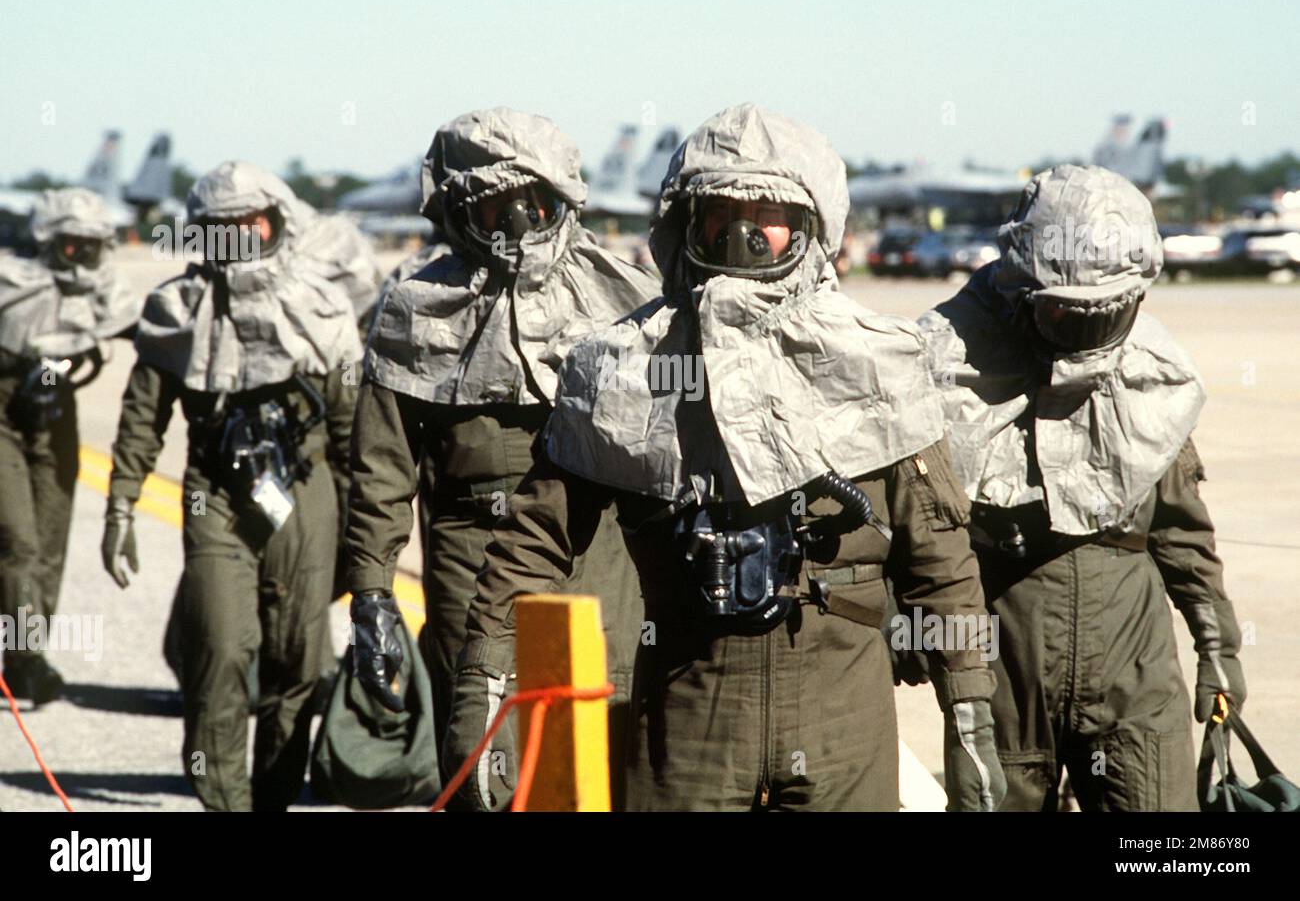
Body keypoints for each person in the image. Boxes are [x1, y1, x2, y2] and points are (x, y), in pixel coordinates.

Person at [445, 104, 1005, 811]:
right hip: (689, 713)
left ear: (810, 223)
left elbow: (942, 563)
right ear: (689, 223)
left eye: (768, 209)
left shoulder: (881, 364)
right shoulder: (618, 368)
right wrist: (483, 691)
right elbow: (532, 545)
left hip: (843, 710)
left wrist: (971, 711)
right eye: (722, 209)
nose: (744, 230)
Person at [344, 108, 660, 809]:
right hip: (470, 556)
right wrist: (370, 591)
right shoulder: (414, 310)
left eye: (533, 201)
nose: (515, 220)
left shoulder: (628, 296)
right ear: (457, 207)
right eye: (492, 203)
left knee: (599, 753)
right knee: (483, 758)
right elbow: (381, 468)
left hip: (599, 556)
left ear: (563, 198)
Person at [918, 164, 1245, 811]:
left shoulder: (1150, 380)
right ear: (1023, 293)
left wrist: (1218, 650)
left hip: (1135, 670)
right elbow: (919, 542)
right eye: (1064, 316)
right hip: (1003, 673)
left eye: (1102, 317)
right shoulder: (948, 370)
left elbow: (1183, 533)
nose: (1083, 337)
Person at [101, 161, 361, 811]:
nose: (241, 238)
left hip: (307, 492)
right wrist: (121, 504)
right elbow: (142, 414)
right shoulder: (176, 309)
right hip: (213, 493)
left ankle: (272, 798)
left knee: (298, 662)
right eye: (225, 228)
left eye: (253, 224)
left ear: (277, 223)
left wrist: (368, 539)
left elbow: (356, 433)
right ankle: (226, 802)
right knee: (218, 648)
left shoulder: (321, 305)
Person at [0, 188, 137, 702]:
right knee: (18, 541)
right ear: (47, 239)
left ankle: (26, 653)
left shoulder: (106, 290)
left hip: (56, 414)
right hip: (4, 414)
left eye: (89, 244)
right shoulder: (12, 280)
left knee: (51, 539)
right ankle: (26, 656)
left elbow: (153, 333)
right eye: (69, 243)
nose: (79, 254)